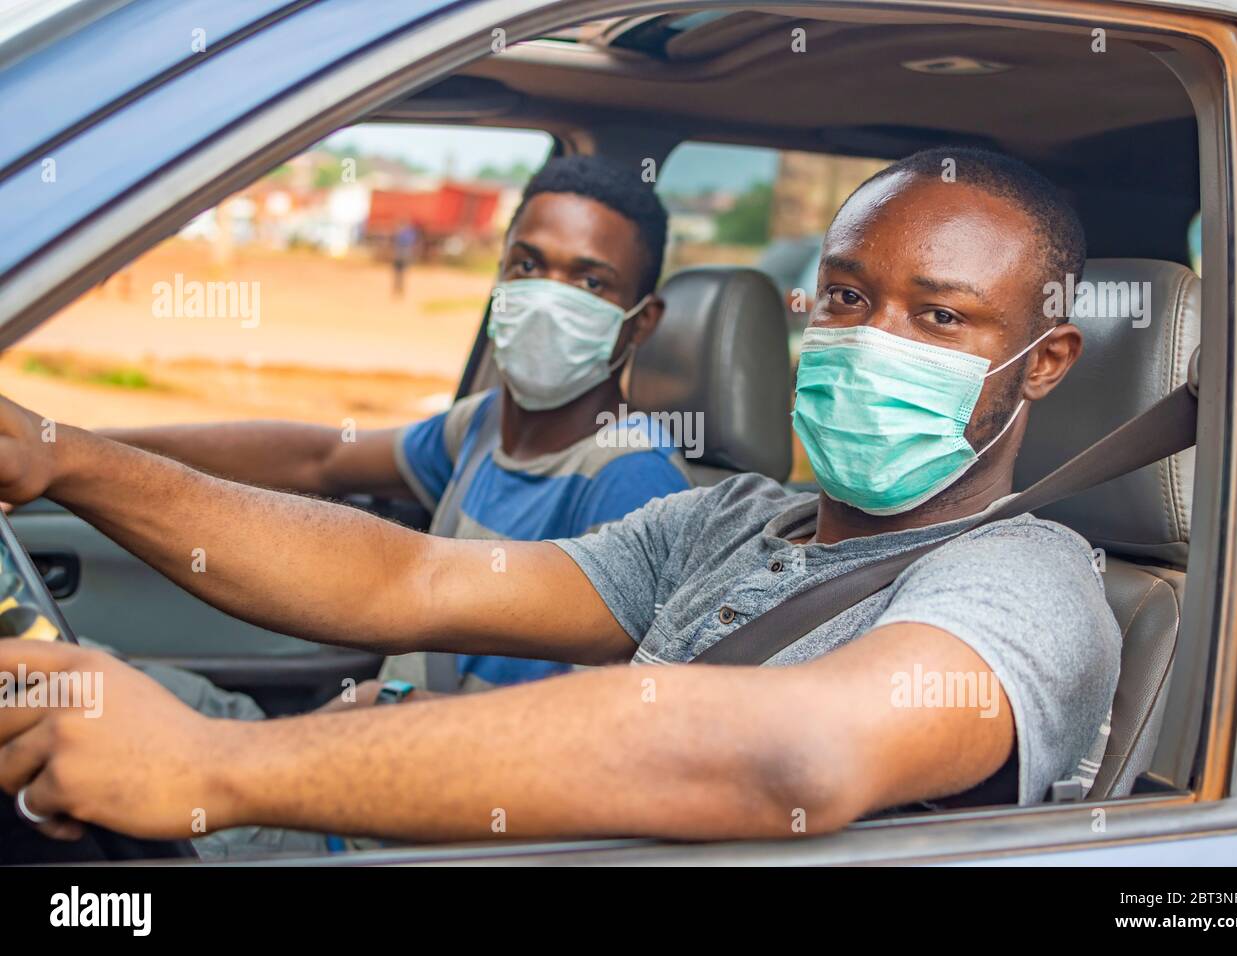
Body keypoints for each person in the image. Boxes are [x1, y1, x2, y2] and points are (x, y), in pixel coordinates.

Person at [0, 147, 1121, 846]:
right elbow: (409, 576)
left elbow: (796, 753)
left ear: (1044, 358)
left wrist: (214, 768)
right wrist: (76, 460)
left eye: (938, 316)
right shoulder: (729, 522)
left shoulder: (1025, 577)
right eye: (844, 295)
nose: (870, 340)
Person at [101, 154, 692, 703]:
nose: (546, 300)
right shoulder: (483, 425)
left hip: (427, 795)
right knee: (78, 685)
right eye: (528, 266)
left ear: (642, 323)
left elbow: (599, 735)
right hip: (366, 762)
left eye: (590, 283)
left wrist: (392, 714)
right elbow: (323, 457)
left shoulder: (632, 477)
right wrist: (97, 452)